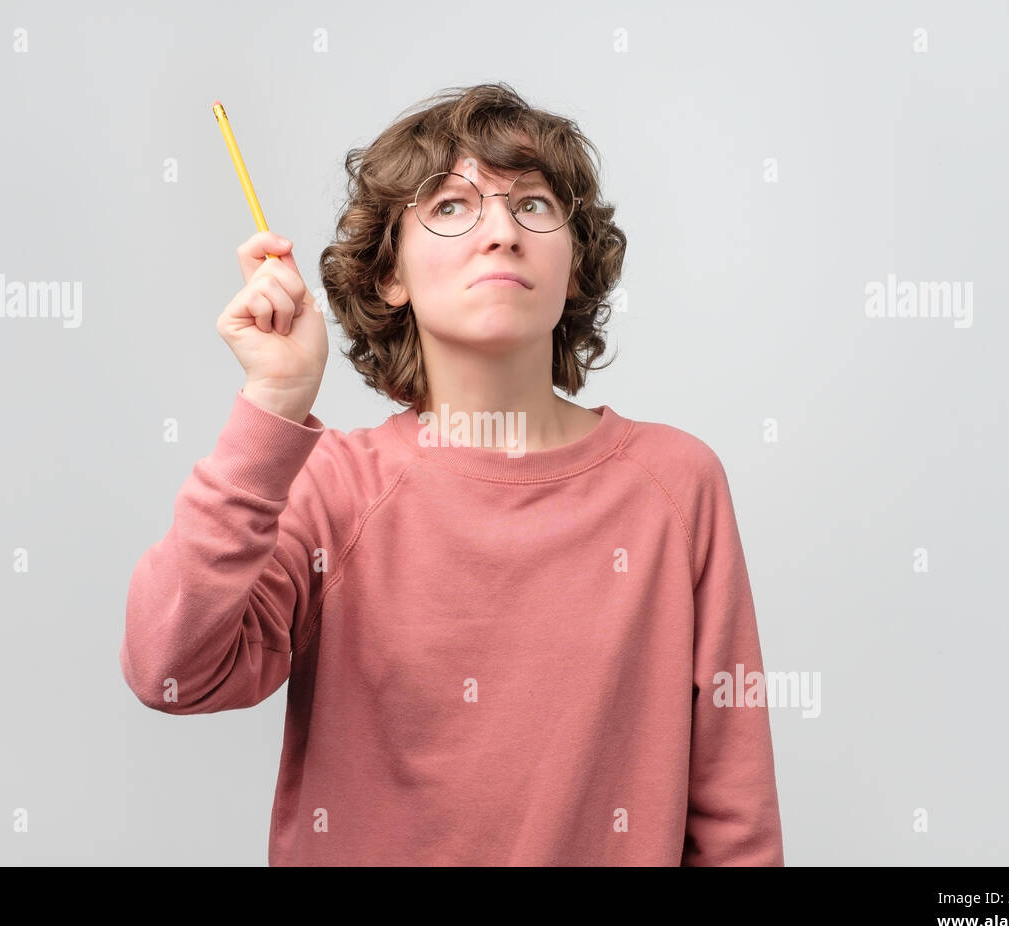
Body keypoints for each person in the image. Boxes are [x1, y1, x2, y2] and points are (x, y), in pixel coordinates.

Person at [120, 82, 784, 866]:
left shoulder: (678, 483)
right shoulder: (333, 488)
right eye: (449, 207)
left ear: (573, 267)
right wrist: (272, 404)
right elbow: (171, 670)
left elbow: (734, 818)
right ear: (391, 274)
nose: (501, 231)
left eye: (533, 204)